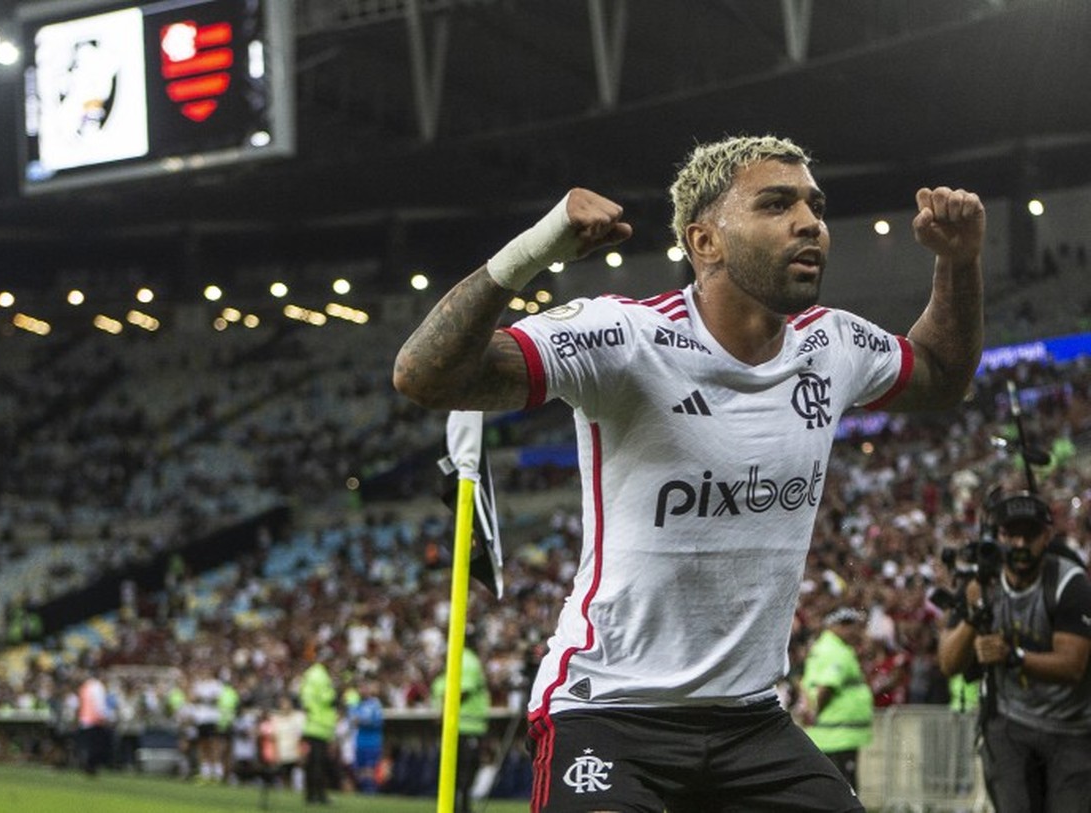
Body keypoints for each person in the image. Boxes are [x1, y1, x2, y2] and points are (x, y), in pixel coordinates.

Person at [394, 133, 986, 812]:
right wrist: (534, 249)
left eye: (814, 205)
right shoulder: (624, 338)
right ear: (705, 242)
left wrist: (959, 264)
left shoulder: (835, 343)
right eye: (776, 203)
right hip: (608, 709)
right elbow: (423, 374)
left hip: (750, 719)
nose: (810, 222)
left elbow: (940, 376)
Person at [937, 489, 1091, 812]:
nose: (1020, 545)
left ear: (1047, 536)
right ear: (998, 536)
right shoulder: (982, 581)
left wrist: (1012, 656)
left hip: (1071, 728)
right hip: (1010, 725)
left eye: (1030, 535)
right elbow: (949, 662)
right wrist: (973, 616)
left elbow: (1073, 666)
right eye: (1011, 534)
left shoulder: (1069, 583)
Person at [801, 607, 874, 792]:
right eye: (847, 625)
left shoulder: (823, 647)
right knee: (844, 790)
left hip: (832, 733)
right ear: (834, 626)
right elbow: (826, 687)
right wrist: (815, 713)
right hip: (838, 734)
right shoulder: (836, 651)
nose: (854, 630)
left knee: (831, 788)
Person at [431, 645, 491, 813]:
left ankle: (459, 808)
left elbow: (461, 691)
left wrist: (443, 711)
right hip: (459, 728)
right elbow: (455, 691)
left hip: (463, 727)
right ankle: (459, 808)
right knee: (459, 775)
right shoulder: (460, 660)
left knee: (460, 775)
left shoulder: (464, 661)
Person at [299, 658, 338, 805]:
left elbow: (306, 698)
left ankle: (311, 795)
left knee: (313, 763)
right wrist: (333, 694)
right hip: (318, 726)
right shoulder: (319, 675)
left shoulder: (313, 674)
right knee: (318, 764)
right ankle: (318, 796)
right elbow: (325, 697)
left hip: (314, 725)